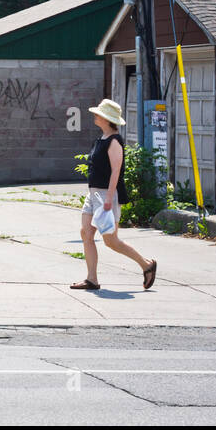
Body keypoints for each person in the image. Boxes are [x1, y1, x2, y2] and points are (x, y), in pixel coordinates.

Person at [70, 99, 158, 291]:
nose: (95, 116)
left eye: (98, 114)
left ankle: (146, 265)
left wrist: (109, 198)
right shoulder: (100, 139)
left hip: (107, 195)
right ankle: (91, 279)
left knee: (111, 241)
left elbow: (116, 172)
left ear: (106, 118)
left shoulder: (114, 141)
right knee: (85, 233)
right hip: (93, 194)